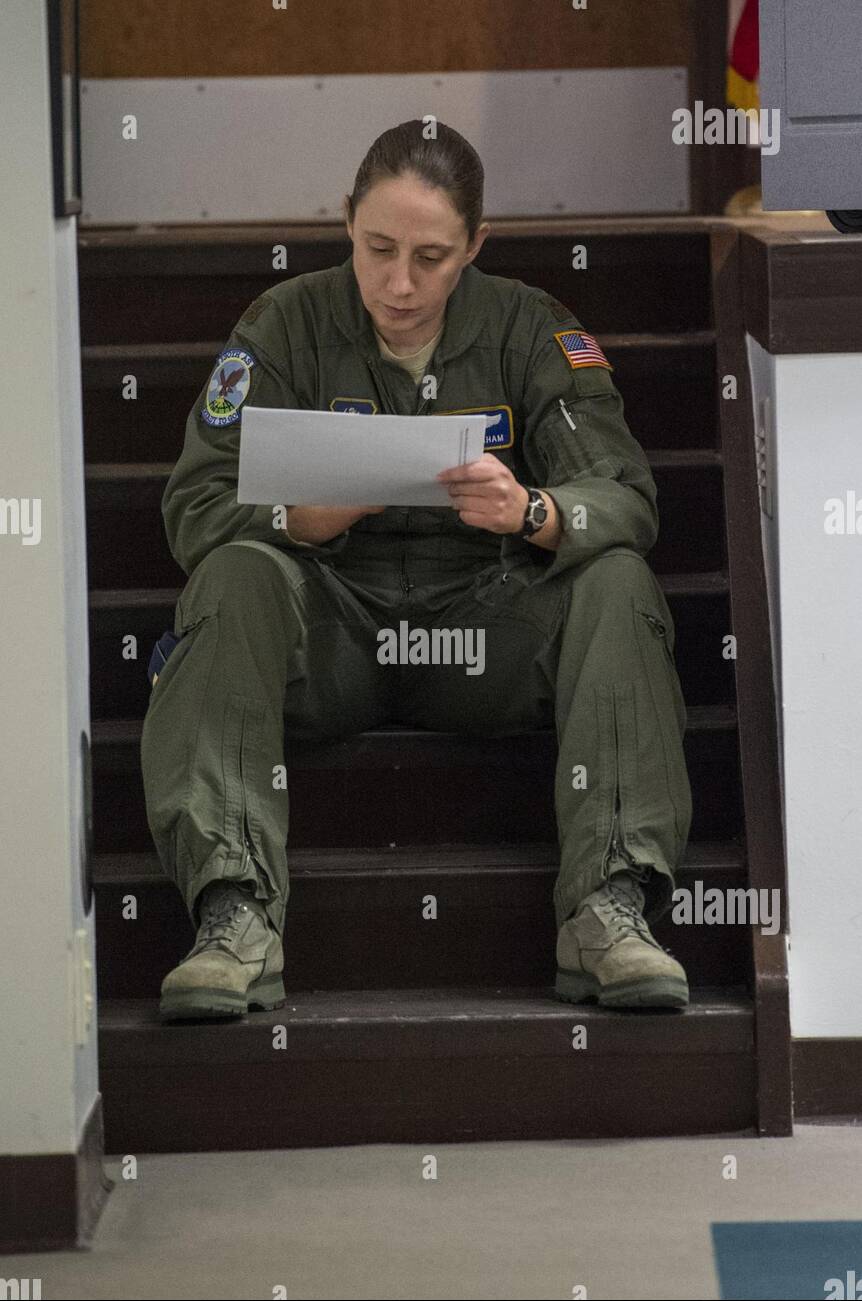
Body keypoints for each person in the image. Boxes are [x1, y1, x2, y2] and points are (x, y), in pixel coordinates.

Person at [141, 119, 693, 1023]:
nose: (399, 284)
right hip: (330, 626)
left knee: (618, 580)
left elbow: (628, 495)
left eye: (431, 257)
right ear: (346, 224)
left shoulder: (530, 326)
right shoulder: (282, 325)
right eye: (377, 248)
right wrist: (292, 517)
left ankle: (609, 909)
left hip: (489, 628)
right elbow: (193, 507)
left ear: (475, 246)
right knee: (234, 573)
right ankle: (232, 912)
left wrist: (536, 513)